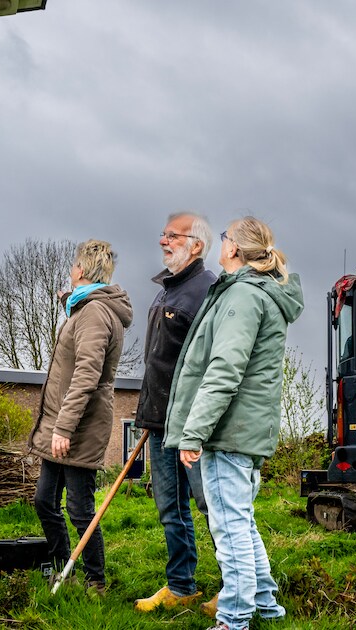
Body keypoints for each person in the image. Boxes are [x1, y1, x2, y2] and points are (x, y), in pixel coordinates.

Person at [165, 217, 304, 630]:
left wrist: (195, 432)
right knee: (240, 522)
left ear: (234, 250)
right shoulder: (252, 292)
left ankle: (234, 618)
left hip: (229, 432)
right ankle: (266, 606)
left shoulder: (242, 295)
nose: (221, 242)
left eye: (224, 237)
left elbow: (225, 368)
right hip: (242, 430)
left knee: (230, 531)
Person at [28, 240, 133, 592]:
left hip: (77, 427)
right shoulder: (85, 309)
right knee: (45, 500)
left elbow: (87, 373)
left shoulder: (93, 313)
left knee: (80, 508)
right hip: (64, 424)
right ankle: (63, 569)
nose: (70, 270)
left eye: (73, 266)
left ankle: (95, 580)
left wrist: (64, 427)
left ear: (82, 272)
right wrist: (68, 302)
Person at [133, 213, 218, 613]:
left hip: (191, 423)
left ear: (196, 245)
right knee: (171, 508)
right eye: (162, 234)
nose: (163, 241)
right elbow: (158, 359)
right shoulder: (166, 289)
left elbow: (210, 364)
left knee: (210, 504)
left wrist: (200, 424)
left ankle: (236, 589)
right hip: (159, 419)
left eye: (173, 235)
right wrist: (148, 413)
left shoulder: (207, 291)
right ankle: (181, 585)